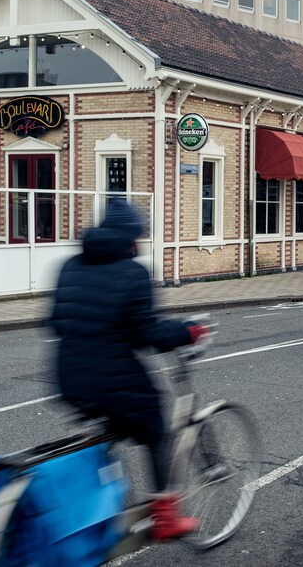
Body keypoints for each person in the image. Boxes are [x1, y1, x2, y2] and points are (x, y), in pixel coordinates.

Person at [49, 198, 208, 541]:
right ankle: (166, 517)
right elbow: (146, 334)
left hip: (68, 375)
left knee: (114, 427)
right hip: (110, 378)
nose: (140, 244)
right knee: (155, 431)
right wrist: (187, 331)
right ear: (130, 237)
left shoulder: (71, 266)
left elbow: (54, 322)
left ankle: (91, 506)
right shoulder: (133, 272)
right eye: (139, 237)